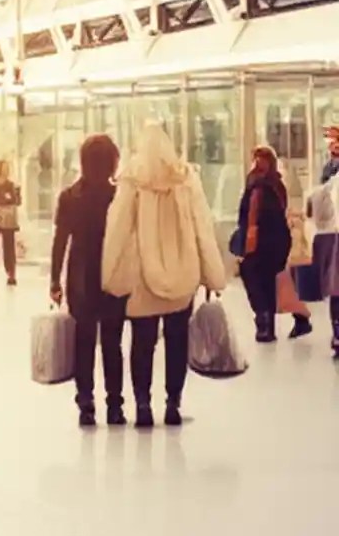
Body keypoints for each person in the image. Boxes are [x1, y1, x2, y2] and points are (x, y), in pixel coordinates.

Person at [102, 123, 225, 428]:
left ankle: (143, 405)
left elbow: (117, 229)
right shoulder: (185, 178)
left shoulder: (131, 180)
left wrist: (108, 274)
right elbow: (202, 227)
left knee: (143, 343)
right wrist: (213, 275)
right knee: (177, 340)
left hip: (144, 276)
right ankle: (173, 404)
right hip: (184, 276)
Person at [51, 135, 127, 427]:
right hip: (112, 275)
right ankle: (115, 405)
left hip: (81, 278)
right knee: (112, 343)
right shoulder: (118, 196)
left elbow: (60, 241)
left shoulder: (70, 197)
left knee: (84, 343)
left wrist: (55, 280)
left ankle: (86, 403)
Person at [237, 146, 295, 343]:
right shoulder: (277, 184)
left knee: (252, 275)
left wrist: (248, 244)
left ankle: (263, 320)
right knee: (269, 281)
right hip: (279, 238)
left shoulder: (257, 185)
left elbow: (252, 216)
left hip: (261, 239)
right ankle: (267, 324)